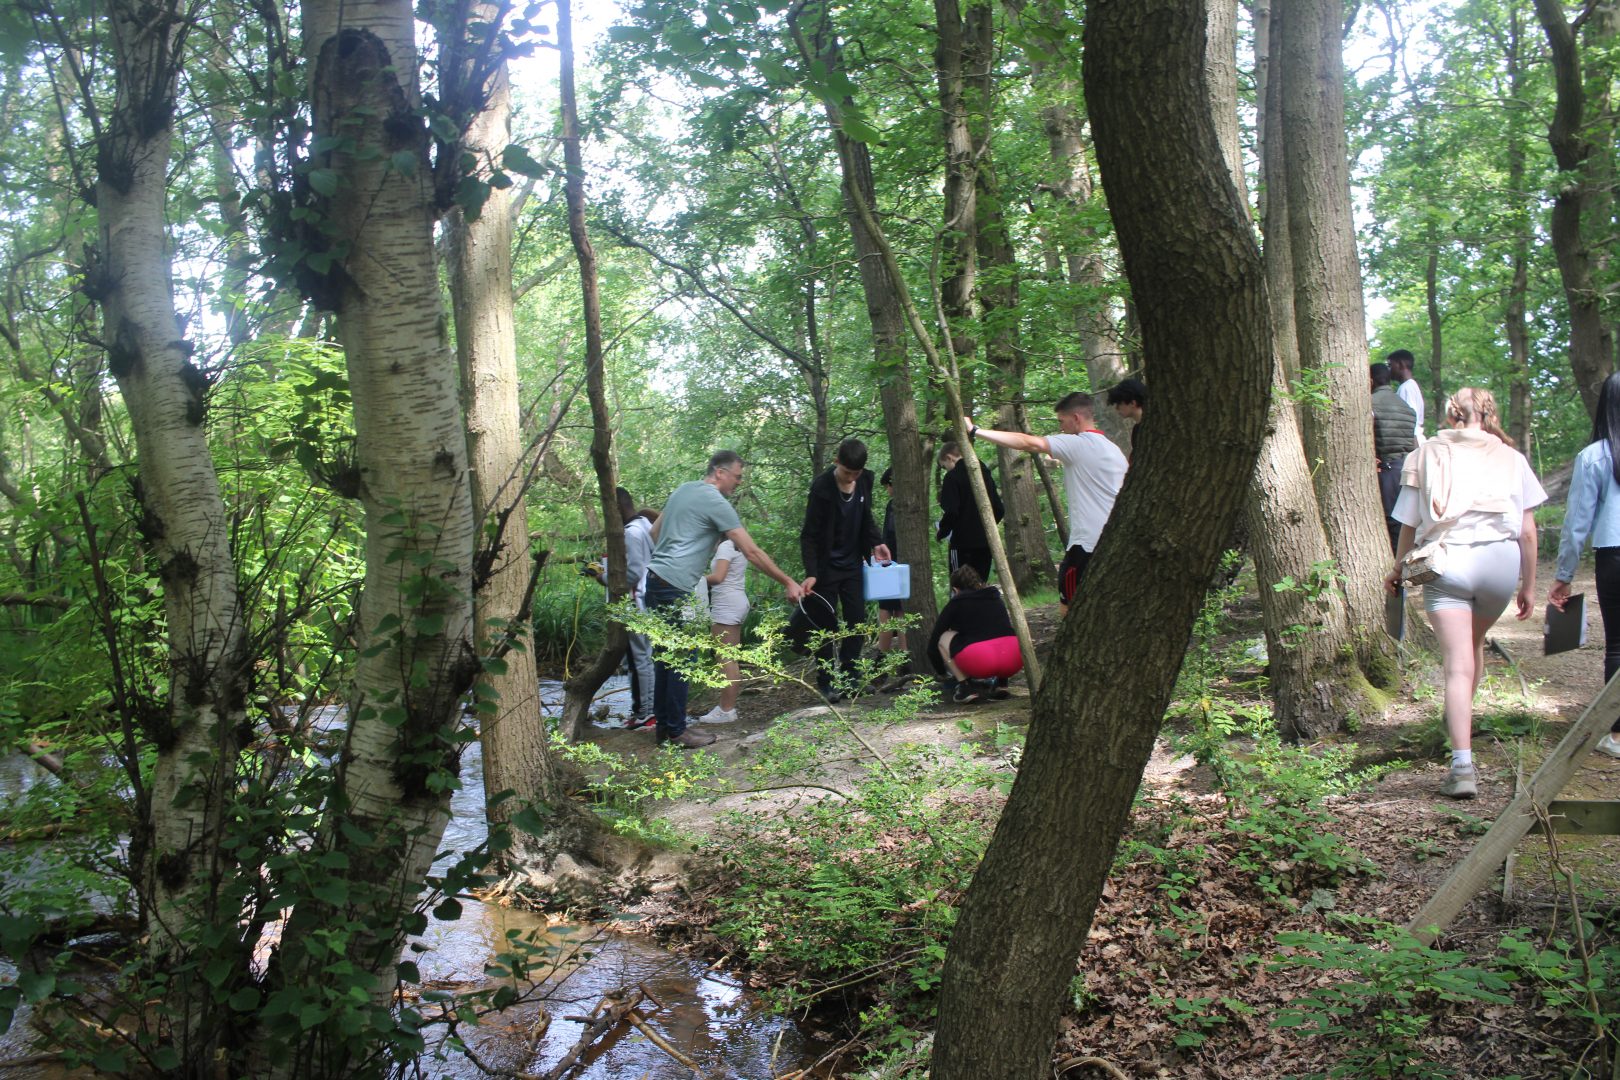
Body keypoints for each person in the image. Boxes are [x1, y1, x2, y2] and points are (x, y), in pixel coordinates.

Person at [1383, 387, 1545, 799]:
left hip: (1447, 562)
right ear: (1488, 413)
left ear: (1451, 414)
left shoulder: (1426, 453)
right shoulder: (1512, 457)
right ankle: (1459, 720)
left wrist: (1399, 569)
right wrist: (1529, 585)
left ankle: (1461, 765)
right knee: (1472, 646)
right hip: (1499, 564)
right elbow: (1527, 530)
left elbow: (1407, 523)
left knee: (1457, 664)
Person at [646, 451, 805, 748]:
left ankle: (666, 728)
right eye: (737, 476)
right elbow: (751, 551)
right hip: (676, 585)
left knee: (665, 658)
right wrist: (787, 581)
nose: (738, 482)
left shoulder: (683, 490)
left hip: (655, 579)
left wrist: (677, 554)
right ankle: (677, 732)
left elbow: (654, 531)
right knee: (683, 658)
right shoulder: (715, 501)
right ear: (720, 473)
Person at [968, 392, 1128, 615]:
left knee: (1069, 609)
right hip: (1116, 543)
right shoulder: (1113, 449)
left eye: (1062, 421)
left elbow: (1026, 442)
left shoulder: (1079, 443)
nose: (1061, 428)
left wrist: (976, 431)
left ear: (1076, 418)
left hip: (1087, 545)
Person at [1550, 371, 1620, 759]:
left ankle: (1619, 735)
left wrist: (1563, 575)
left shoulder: (1594, 457)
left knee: (1618, 646)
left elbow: (1577, 523)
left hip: (1615, 554)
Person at [799, 438, 891, 702]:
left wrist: (877, 543)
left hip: (853, 565)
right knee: (826, 625)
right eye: (847, 472)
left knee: (857, 620)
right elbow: (809, 535)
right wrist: (812, 572)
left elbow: (866, 517)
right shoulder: (822, 488)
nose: (851, 477)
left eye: (856, 473)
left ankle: (851, 678)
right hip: (826, 567)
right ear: (836, 461)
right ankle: (827, 682)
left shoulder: (865, 481)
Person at [927, 566, 1022, 703]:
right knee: (999, 632)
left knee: (944, 638)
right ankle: (1002, 684)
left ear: (955, 589)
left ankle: (964, 687)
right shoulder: (995, 598)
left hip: (979, 661)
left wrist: (942, 673)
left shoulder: (955, 604)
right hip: (1013, 658)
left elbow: (932, 646)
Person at [696, 537, 748, 725]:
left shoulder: (726, 546)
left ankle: (726, 709)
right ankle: (728, 708)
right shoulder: (738, 545)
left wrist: (693, 580)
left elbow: (718, 577)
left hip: (726, 604)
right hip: (735, 601)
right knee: (730, 657)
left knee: (725, 658)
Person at [936, 441, 1004, 581]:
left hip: (962, 543)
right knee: (979, 584)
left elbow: (952, 511)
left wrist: (942, 531)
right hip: (985, 542)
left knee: (959, 585)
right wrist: (985, 527)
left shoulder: (952, 477)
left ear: (949, 458)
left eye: (944, 466)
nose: (946, 470)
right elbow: (999, 509)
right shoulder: (984, 474)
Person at [1370, 363, 1419, 554]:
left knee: (1392, 523)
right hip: (1406, 469)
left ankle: (1398, 574)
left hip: (1386, 470)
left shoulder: (1371, 404)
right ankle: (1408, 575)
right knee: (1407, 522)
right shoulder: (1406, 407)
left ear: (1370, 380)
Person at [874, 467, 909, 676]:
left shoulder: (897, 506)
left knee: (888, 611)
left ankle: (886, 657)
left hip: (892, 565)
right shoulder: (894, 506)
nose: (887, 490)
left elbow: (891, 536)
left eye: (887, 486)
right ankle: (899, 656)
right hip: (892, 565)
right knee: (895, 610)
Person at [1388, 349, 1425, 444]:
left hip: (1412, 443)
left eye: (1390, 365)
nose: (1389, 369)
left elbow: (1410, 421)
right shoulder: (1410, 386)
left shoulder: (1406, 388)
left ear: (1400, 364)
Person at [1105, 377, 1147, 453]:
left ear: (1132, 403)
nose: (1116, 408)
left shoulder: (1150, 428)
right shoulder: (1136, 430)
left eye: (1119, 403)